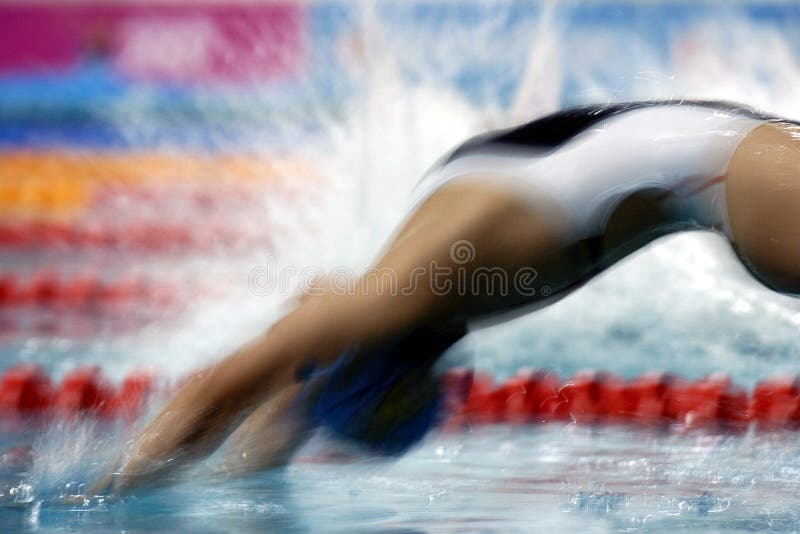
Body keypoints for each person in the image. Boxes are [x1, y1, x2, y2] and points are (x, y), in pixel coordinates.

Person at [93, 100, 800, 495]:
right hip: (719, 153)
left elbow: (217, 397)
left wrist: (106, 497)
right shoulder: (410, 300)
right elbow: (287, 395)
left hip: (734, 170)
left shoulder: (404, 296)